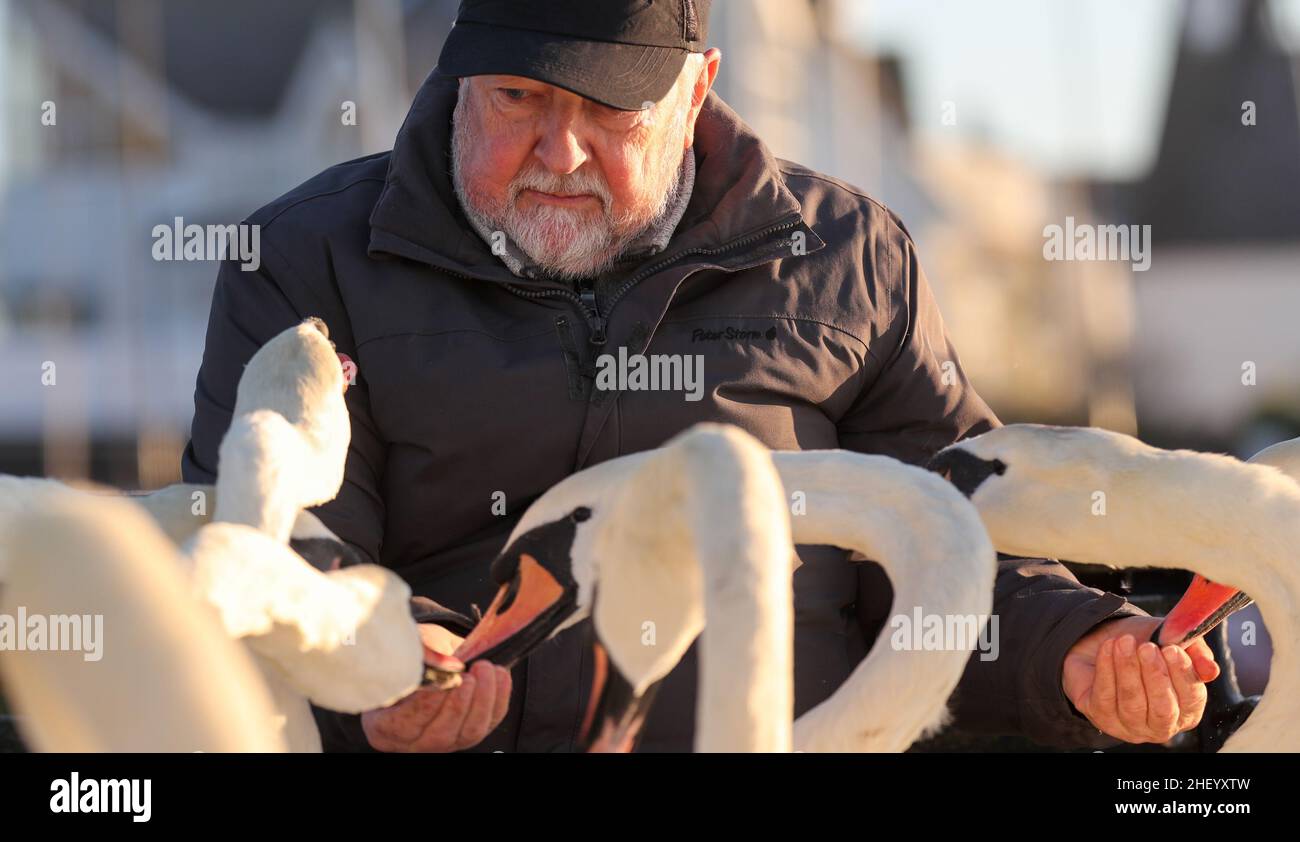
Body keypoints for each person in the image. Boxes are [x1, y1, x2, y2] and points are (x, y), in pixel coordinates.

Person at [182, 0, 1219, 752]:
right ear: (456, 81)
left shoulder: (854, 260)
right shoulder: (304, 263)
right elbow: (278, 546)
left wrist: (1075, 647)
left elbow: (952, 530)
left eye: (609, 110)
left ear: (697, 90)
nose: (559, 150)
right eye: (515, 97)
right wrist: (379, 672)